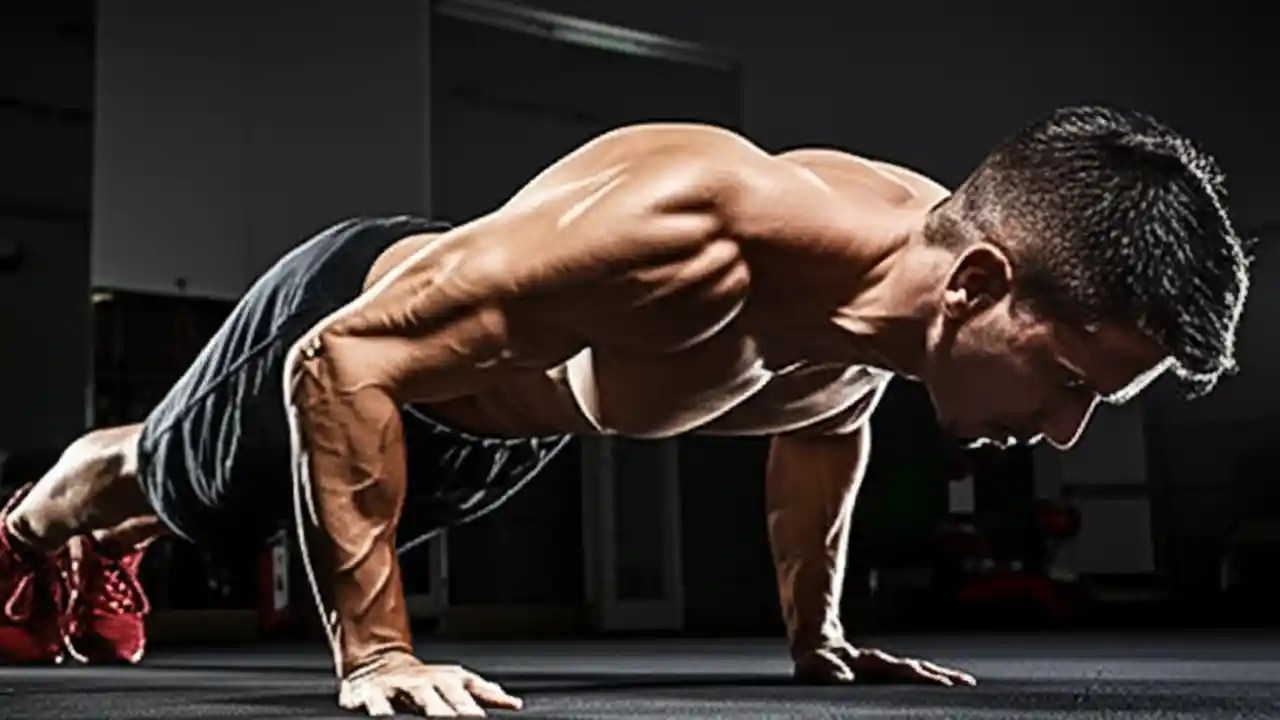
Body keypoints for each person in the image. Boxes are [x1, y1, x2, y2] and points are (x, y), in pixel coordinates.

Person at [0, 105, 1252, 717]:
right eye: (1075, 384)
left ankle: (120, 540)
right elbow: (340, 365)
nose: (1066, 430)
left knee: (232, 516)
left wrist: (813, 636)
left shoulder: (899, 303)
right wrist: (379, 652)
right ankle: (36, 524)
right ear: (978, 287)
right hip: (351, 331)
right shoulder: (693, 229)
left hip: (501, 433)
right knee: (174, 487)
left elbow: (825, 424)